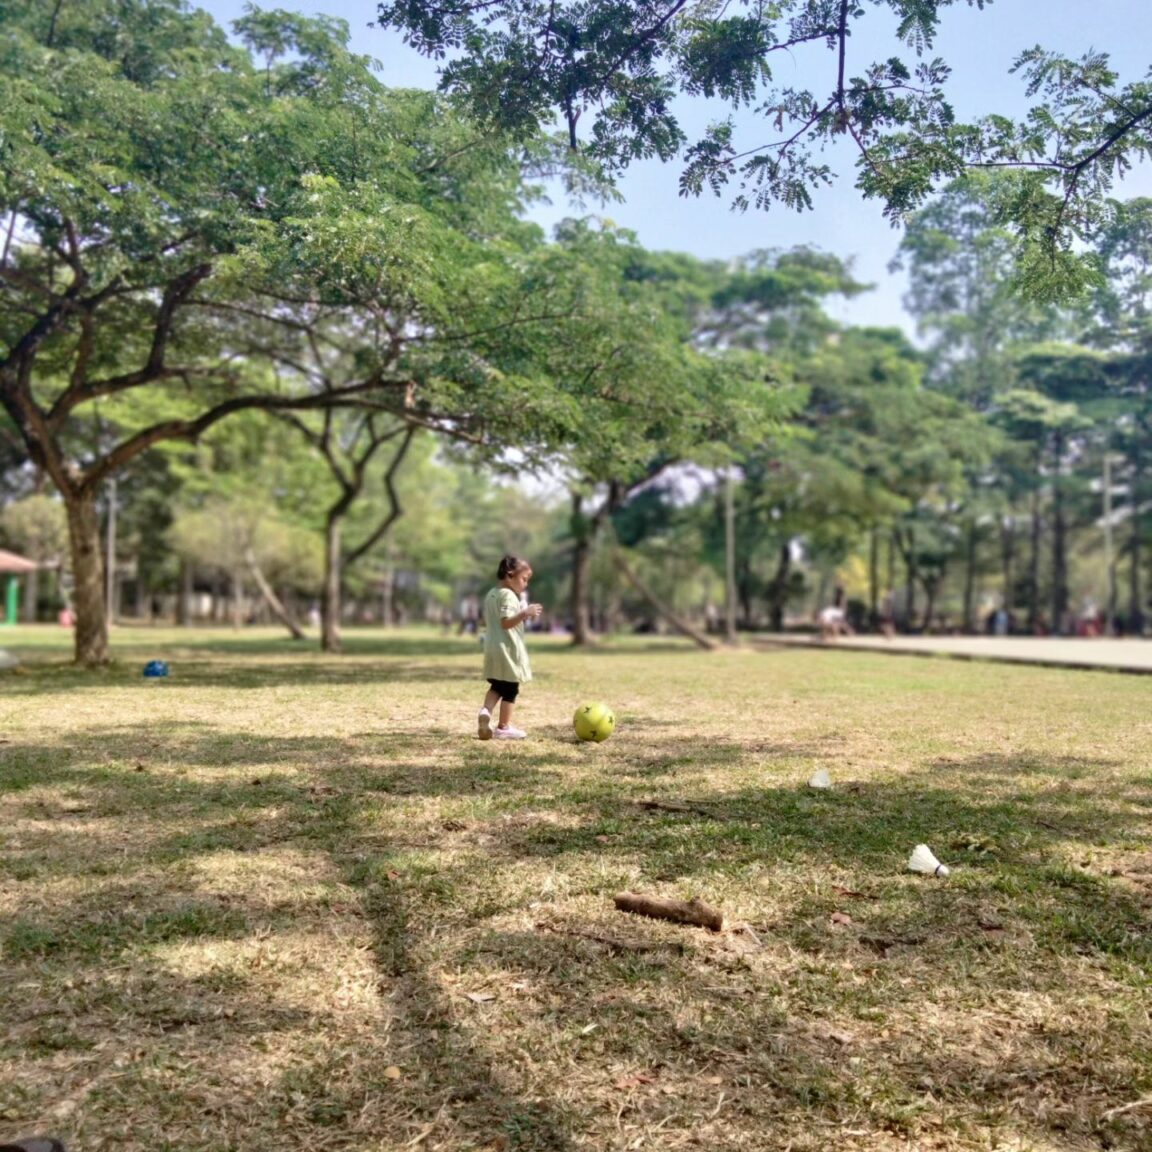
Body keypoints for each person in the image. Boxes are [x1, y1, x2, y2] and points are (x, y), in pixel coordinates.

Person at [477, 555, 543, 740]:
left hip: (492, 647)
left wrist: (521, 611)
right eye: (524, 579)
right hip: (507, 649)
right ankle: (503, 727)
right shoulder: (507, 595)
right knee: (511, 688)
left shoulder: (492, 593)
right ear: (510, 574)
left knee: (497, 685)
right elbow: (506, 622)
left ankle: (485, 712)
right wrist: (524, 613)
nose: (525, 584)